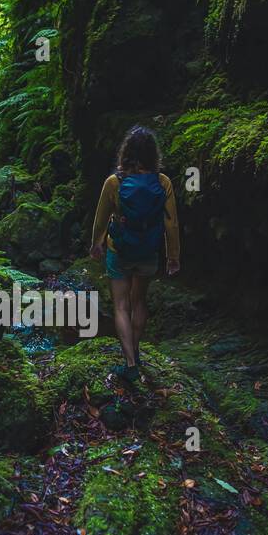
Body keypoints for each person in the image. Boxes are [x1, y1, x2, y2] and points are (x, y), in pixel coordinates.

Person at [89, 125, 180, 382]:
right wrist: (173, 256)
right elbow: (171, 223)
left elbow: (101, 217)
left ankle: (129, 363)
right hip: (148, 252)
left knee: (120, 305)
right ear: (154, 155)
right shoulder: (163, 183)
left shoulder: (114, 182)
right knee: (139, 301)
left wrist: (96, 244)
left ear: (125, 152)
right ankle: (136, 351)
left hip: (119, 251)